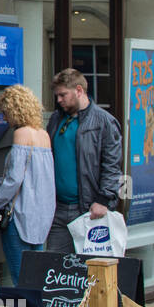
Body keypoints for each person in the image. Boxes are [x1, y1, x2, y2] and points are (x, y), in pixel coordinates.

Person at [0, 84, 55, 285]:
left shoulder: (21, 134)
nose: (5, 119)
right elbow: (34, 177)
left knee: (20, 278)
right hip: (40, 218)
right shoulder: (43, 135)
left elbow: (14, 180)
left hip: (19, 216)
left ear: (14, 109)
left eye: (5, 113)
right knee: (36, 277)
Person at [44, 68, 123, 255]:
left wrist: (103, 200)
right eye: (57, 95)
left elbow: (112, 165)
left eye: (63, 94)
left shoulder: (104, 122)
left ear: (79, 90)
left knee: (91, 272)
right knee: (54, 269)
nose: (59, 100)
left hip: (89, 209)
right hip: (57, 208)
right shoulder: (56, 119)